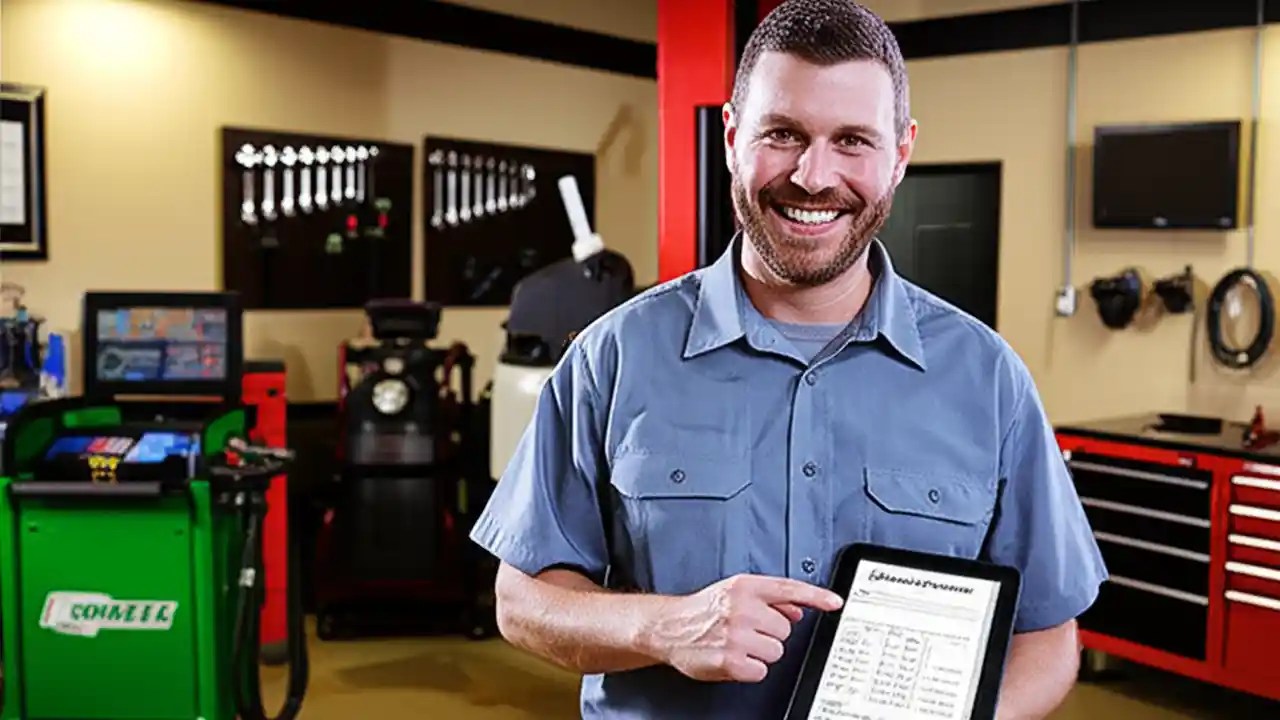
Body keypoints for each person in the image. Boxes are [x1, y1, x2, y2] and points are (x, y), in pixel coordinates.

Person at [469, 1, 1108, 717]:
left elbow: (1049, 638)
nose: (812, 176)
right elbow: (521, 601)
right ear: (734, 135)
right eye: (783, 133)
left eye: (853, 141)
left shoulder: (989, 380)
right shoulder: (612, 357)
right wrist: (665, 627)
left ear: (900, 153)